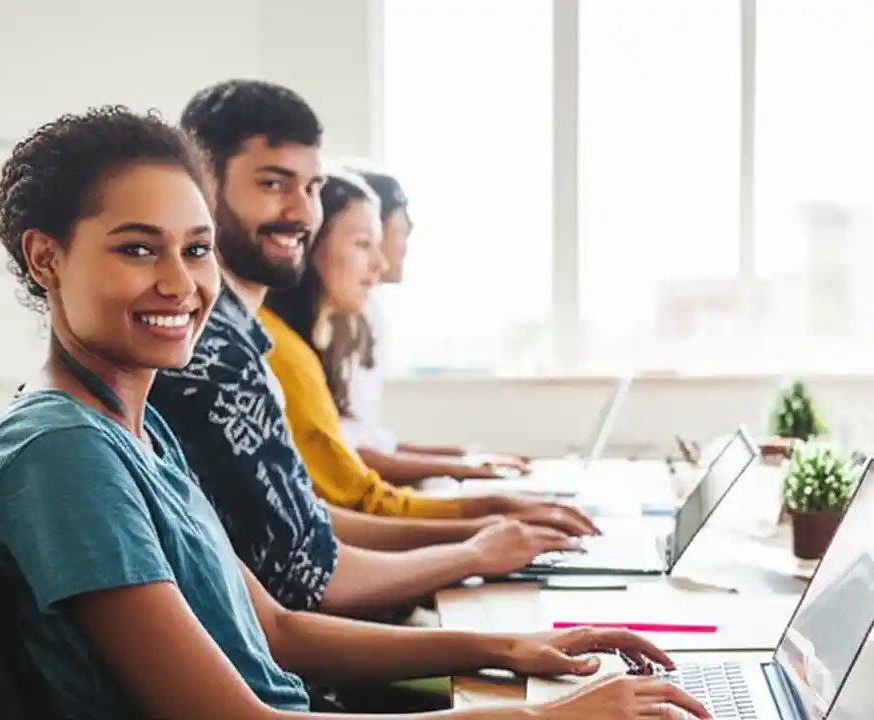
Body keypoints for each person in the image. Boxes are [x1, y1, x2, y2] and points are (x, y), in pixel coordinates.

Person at [0, 106, 705, 720]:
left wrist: (512, 648)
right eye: (138, 250)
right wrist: (542, 719)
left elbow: (277, 631)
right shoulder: (61, 455)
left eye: (197, 249)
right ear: (47, 259)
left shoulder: (134, 430)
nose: (181, 284)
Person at [148, 81, 579, 623]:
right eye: (273, 184)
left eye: (312, 188)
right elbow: (307, 581)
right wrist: (473, 549)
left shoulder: (242, 339)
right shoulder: (211, 354)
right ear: (202, 186)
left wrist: (483, 536)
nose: (303, 212)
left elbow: (306, 522)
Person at [262, 170, 594, 528]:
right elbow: (358, 496)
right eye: (362, 244)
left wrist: (480, 489)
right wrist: (490, 513)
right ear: (309, 244)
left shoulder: (305, 343)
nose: (381, 263)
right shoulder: (285, 352)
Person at [327, 165, 532, 485]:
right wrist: (462, 469)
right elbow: (346, 454)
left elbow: (369, 441)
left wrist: (465, 458)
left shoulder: (365, 316)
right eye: (401, 231)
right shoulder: (319, 332)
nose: (383, 259)